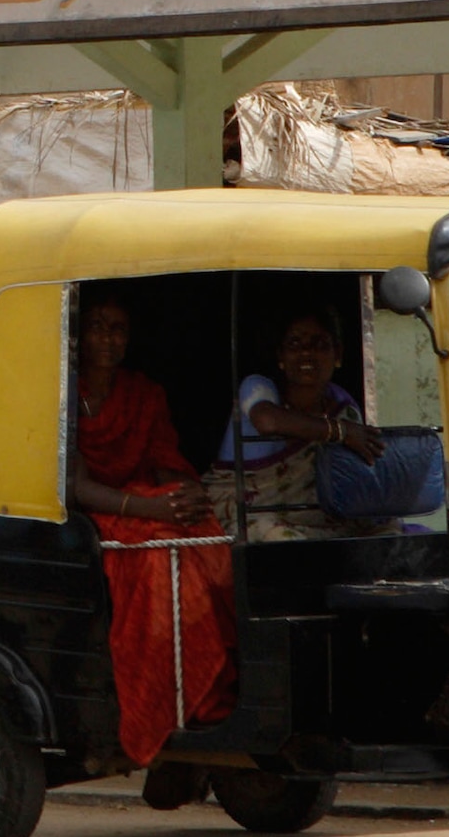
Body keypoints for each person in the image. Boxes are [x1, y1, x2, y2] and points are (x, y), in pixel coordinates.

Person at [62, 292, 230, 760]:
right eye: (97, 326)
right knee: (159, 558)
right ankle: (160, 701)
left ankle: (206, 689)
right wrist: (152, 510)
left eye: (117, 329)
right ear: (80, 335)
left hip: (142, 500)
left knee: (207, 533)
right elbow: (76, 487)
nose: (107, 338)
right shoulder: (64, 394)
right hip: (94, 513)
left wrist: (185, 492)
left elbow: (164, 462)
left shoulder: (143, 393)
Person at [225, 308, 386, 539]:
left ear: (338, 354)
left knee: (386, 527)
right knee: (277, 535)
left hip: (318, 517)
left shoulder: (342, 407)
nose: (306, 353)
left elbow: (352, 477)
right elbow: (267, 421)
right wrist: (340, 432)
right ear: (280, 356)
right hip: (249, 514)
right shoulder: (258, 387)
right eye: (295, 344)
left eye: (319, 344)